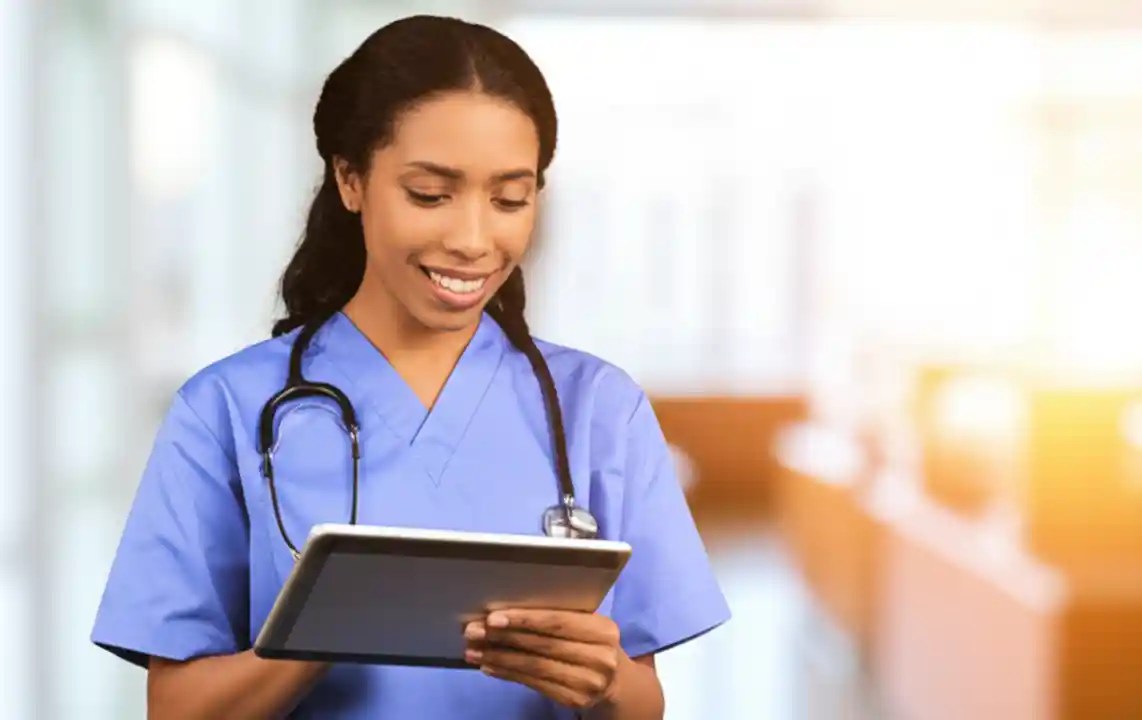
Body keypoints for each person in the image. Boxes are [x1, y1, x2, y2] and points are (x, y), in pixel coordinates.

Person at [90, 15, 729, 719]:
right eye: (430, 194)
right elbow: (175, 708)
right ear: (350, 179)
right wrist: (325, 626)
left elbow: (643, 701)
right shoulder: (225, 411)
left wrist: (603, 681)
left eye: (510, 198)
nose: (474, 239)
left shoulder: (599, 410)